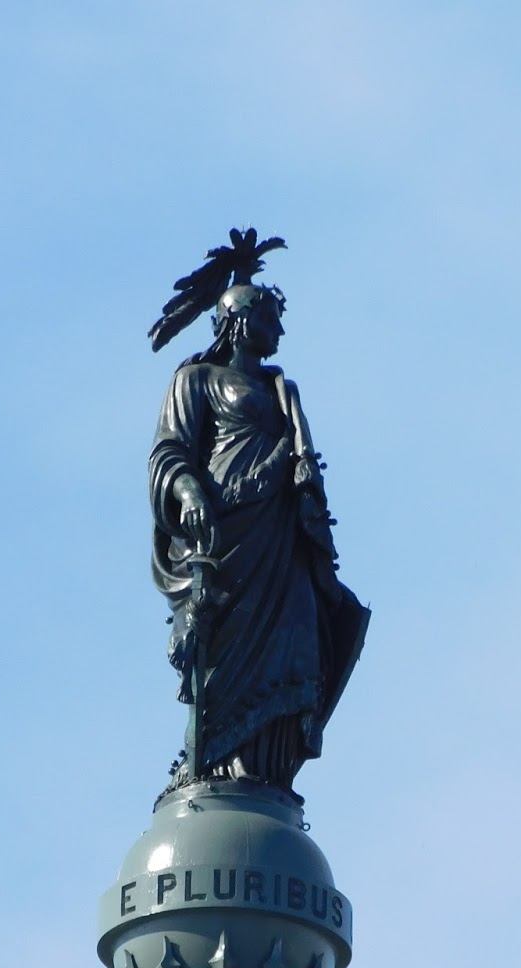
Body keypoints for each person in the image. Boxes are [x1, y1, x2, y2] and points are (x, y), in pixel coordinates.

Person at [149, 262, 369, 794]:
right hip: (227, 532)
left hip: (280, 536)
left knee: (297, 638)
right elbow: (170, 451)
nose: (280, 330)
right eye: (270, 318)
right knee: (226, 646)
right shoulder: (195, 380)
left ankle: (267, 769)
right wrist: (189, 491)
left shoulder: (281, 390)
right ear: (239, 320)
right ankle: (212, 764)